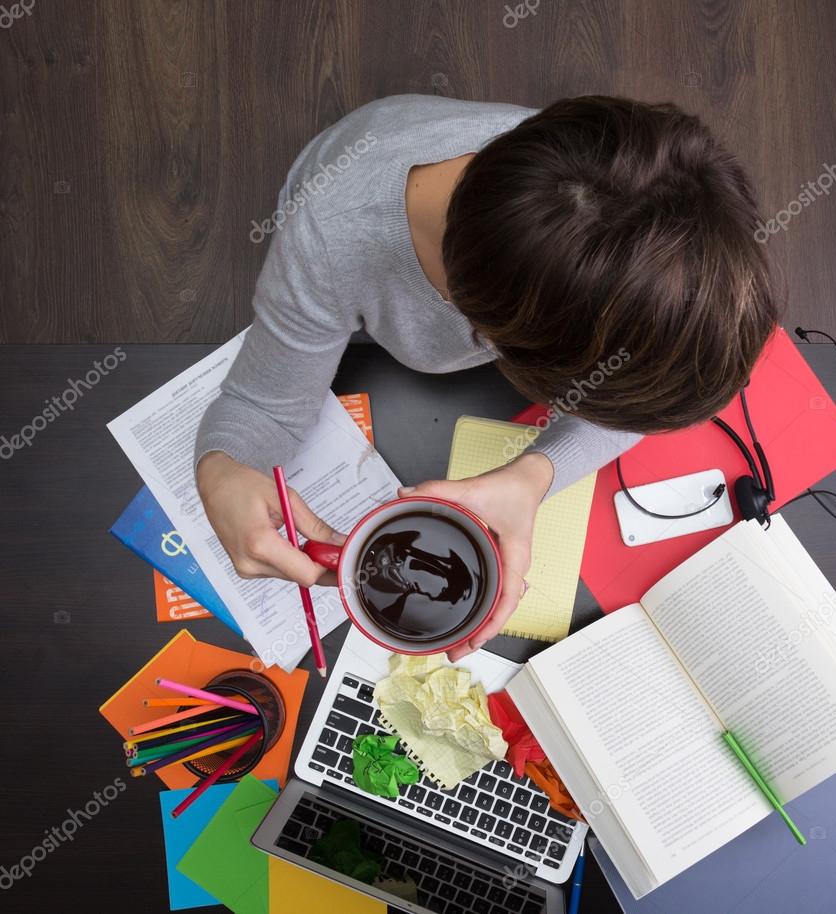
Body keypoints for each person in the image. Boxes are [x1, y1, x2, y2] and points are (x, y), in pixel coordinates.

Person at [195, 94, 777, 660]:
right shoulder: (329, 241)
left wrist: (533, 476)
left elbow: (629, 400)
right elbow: (259, 406)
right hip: (331, 190)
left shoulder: (601, 188)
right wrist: (223, 470)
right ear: (488, 336)